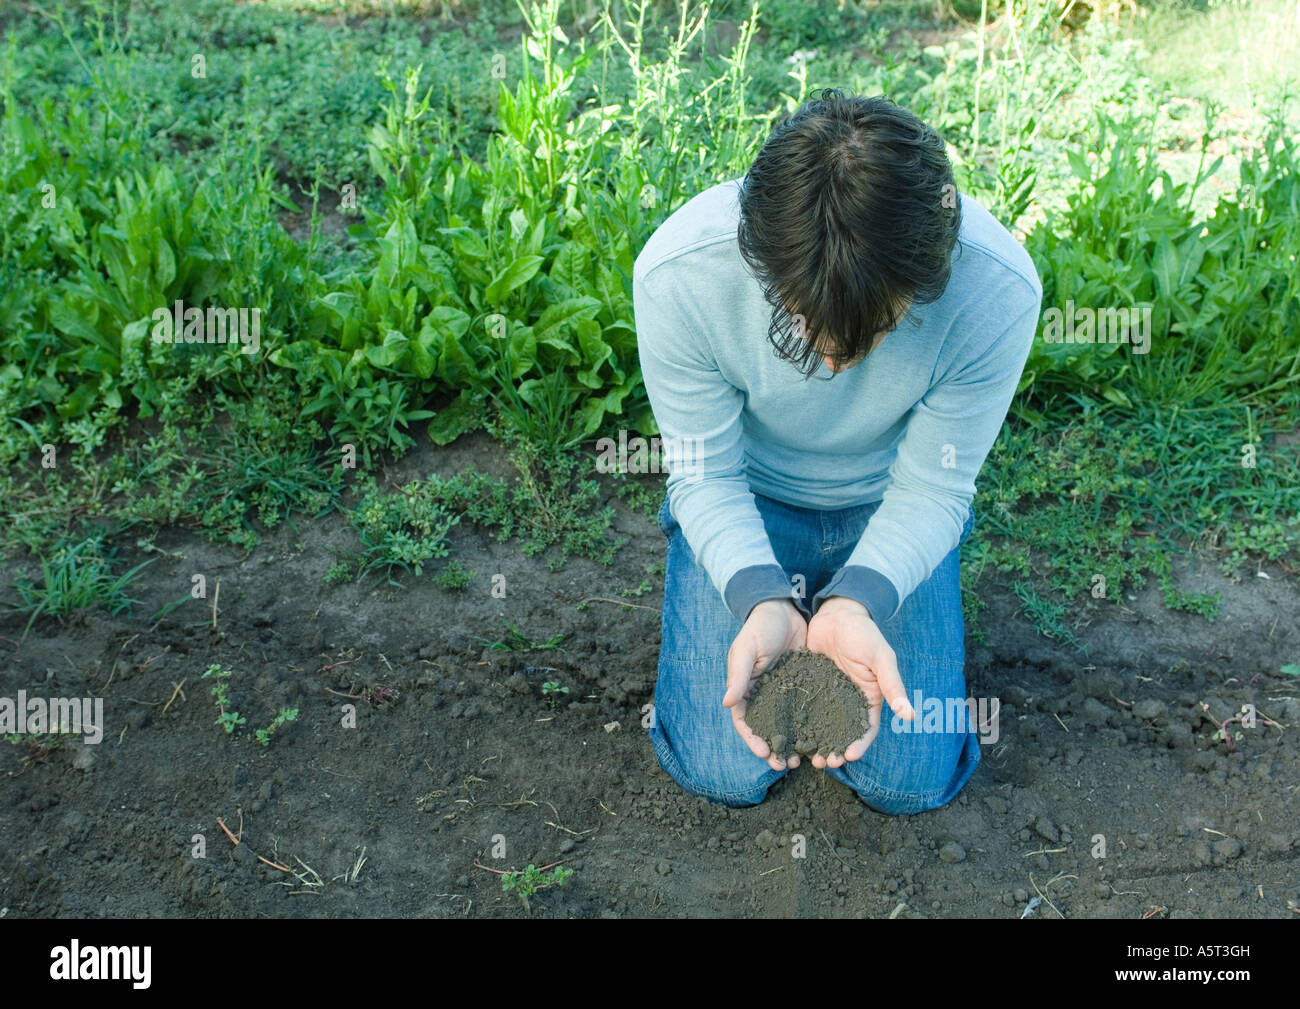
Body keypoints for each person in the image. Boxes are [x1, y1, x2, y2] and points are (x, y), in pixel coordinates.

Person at [632, 89, 1041, 812]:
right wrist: (759, 595)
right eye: (800, 318)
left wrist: (862, 598)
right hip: (749, 497)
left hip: (889, 504)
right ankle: (779, 598)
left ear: (926, 278)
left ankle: (845, 603)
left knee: (907, 782)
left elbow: (934, 490)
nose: (834, 360)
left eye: (874, 328)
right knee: (722, 770)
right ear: (761, 258)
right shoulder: (680, 274)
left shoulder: (996, 291)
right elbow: (706, 476)